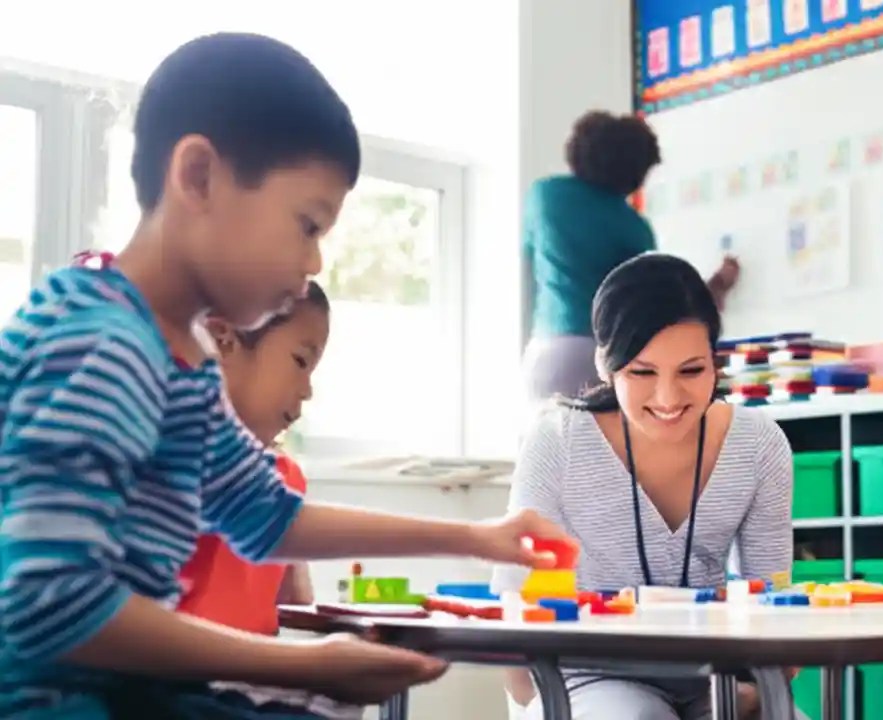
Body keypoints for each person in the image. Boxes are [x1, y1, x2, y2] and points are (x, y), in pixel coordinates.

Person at [0, 32, 564, 719]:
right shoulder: (105, 345)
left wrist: (473, 538)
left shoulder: (179, 358)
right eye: (308, 225)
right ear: (199, 177)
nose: (315, 264)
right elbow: (48, 606)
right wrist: (307, 663)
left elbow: (265, 517)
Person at [496, 253, 794, 720]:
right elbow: (514, 607)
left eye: (691, 371)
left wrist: (755, 693)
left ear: (714, 361)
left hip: (713, 678)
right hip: (587, 676)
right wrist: (537, 705)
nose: (669, 398)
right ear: (604, 364)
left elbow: (774, 604)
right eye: (642, 373)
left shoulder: (759, 444)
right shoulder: (558, 440)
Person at [177, 281, 360, 719]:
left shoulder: (286, 478)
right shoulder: (178, 452)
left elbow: (296, 603)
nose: (307, 390)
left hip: (248, 684)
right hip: (179, 678)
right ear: (226, 340)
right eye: (300, 361)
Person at [522, 110, 740, 405]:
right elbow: (647, 307)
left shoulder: (545, 196)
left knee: (545, 446)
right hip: (605, 355)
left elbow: (525, 272)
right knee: (605, 447)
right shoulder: (634, 228)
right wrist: (714, 288)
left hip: (546, 350)